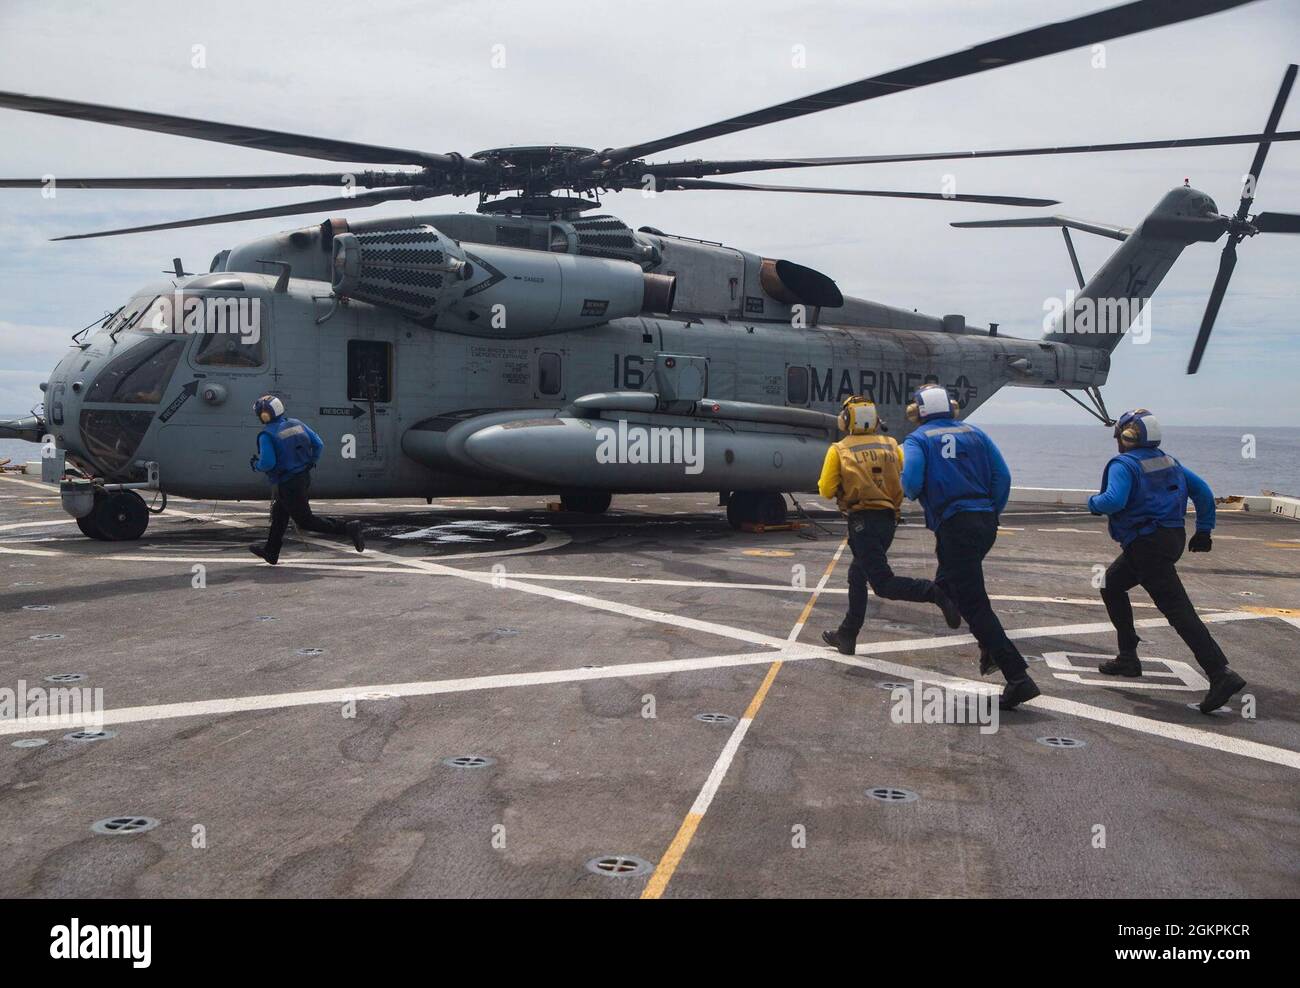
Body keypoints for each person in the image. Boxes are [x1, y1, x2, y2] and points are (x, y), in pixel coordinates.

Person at [1088, 408, 1246, 714]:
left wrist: (1092, 503)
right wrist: (1203, 531)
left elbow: (1113, 500)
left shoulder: (1125, 464)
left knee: (1178, 610)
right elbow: (1203, 493)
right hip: (1169, 540)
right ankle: (1128, 657)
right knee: (1111, 585)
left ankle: (1220, 673)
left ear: (1126, 436)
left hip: (1146, 546)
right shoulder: (1170, 461)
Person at [901, 384, 1040, 709]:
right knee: (955, 583)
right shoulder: (976, 434)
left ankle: (1017, 676)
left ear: (917, 413)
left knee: (973, 603)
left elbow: (910, 482)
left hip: (954, 525)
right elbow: (1002, 477)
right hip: (984, 524)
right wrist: (991, 511)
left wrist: (916, 493)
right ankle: (985, 645)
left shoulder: (918, 439)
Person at [819, 396, 961, 656]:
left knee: (883, 584)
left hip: (862, 524)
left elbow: (826, 489)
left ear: (847, 419)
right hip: (888, 523)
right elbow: (908, 477)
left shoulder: (839, 449)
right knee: (856, 575)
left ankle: (936, 593)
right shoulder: (892, 445)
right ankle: (847, 635)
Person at [248, 395, 365, 564]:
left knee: (305, 521)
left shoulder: (267, 435)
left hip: (288, 483)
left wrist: (256, 465)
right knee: (280, 514)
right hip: (302, 477)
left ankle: (347, 528)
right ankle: (271, 552)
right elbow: (318, 444)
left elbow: (267, 463)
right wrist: (310, 462)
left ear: (264, 415)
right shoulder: (296, 424)